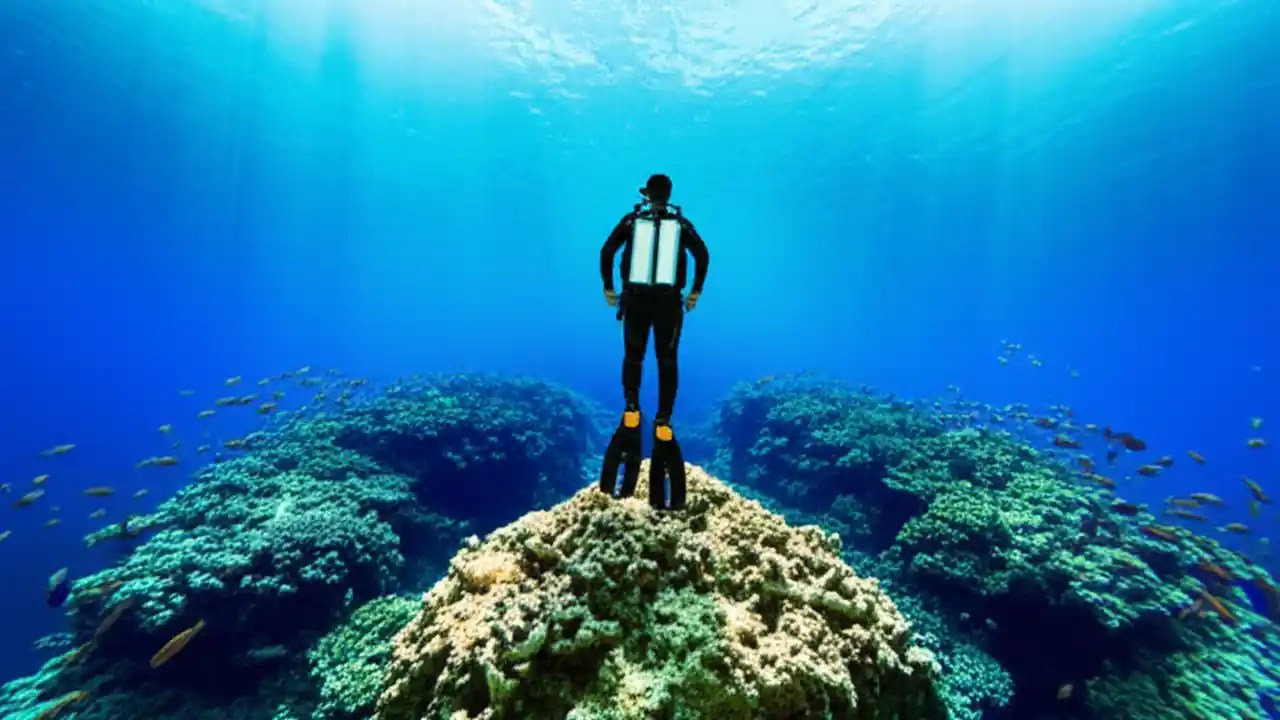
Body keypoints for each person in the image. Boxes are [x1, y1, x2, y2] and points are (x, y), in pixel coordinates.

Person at [597, 173, 709, 510]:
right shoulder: (681, 223)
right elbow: (702, 255)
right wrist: (695, 292)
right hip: (668, 305)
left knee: (633, 357)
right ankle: (663, 420)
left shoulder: (632, 220)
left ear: (647, 195)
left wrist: (608, 287)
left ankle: (632, 410)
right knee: (667, 361)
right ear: (669, 194)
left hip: (635, 301)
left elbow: (606, 251)